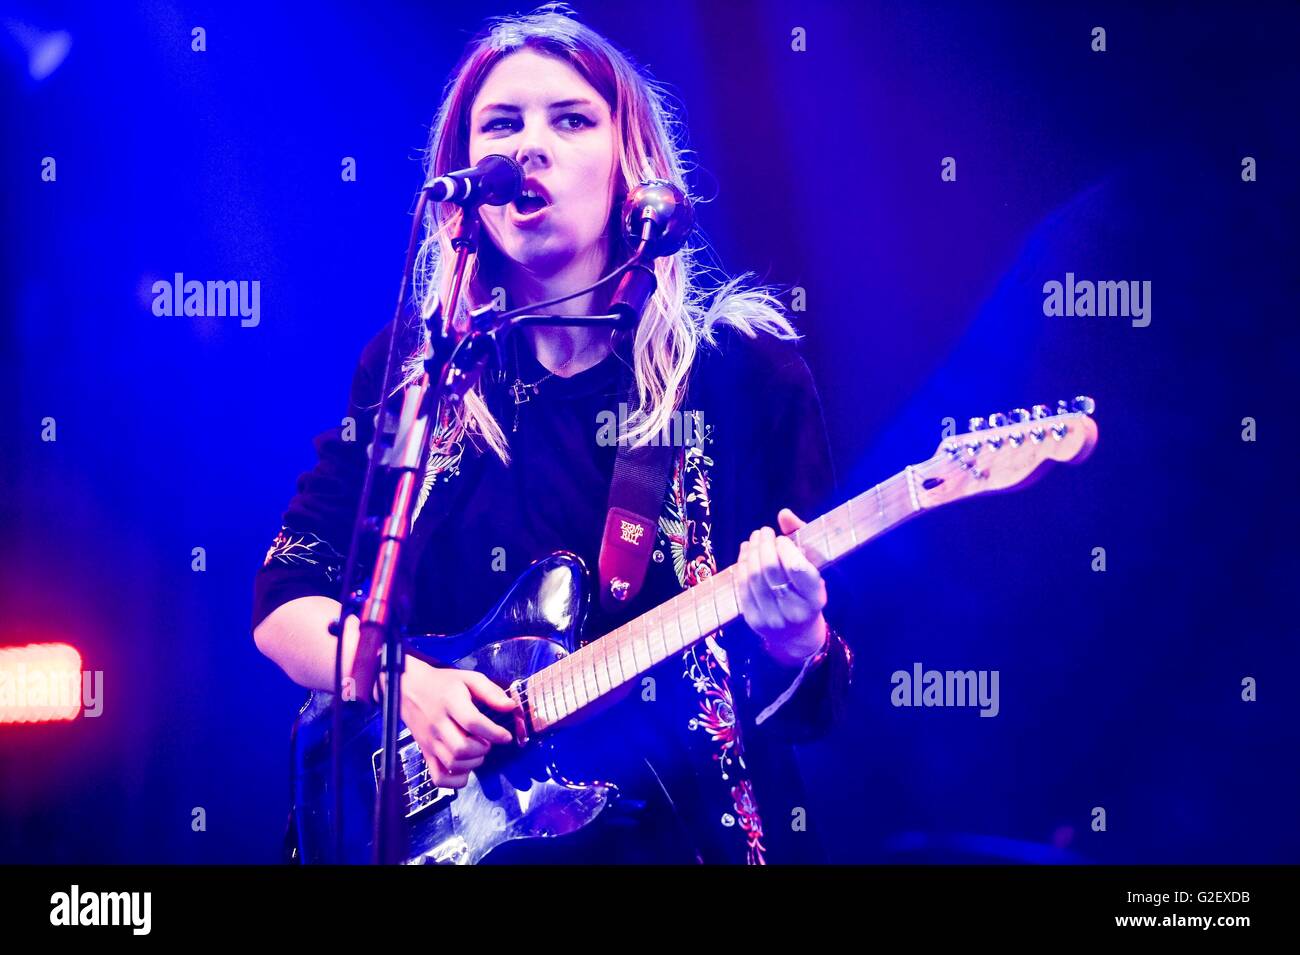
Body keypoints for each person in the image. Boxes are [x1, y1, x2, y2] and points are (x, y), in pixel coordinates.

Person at [252, 5, 853, 865]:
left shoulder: (738, 366)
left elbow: (817, 701)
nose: (529, 145)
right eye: (501, 124)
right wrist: (406, 688)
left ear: (629, 164)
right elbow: (286, 599)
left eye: (570, 119)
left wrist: (797, 634)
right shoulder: (416, 371)